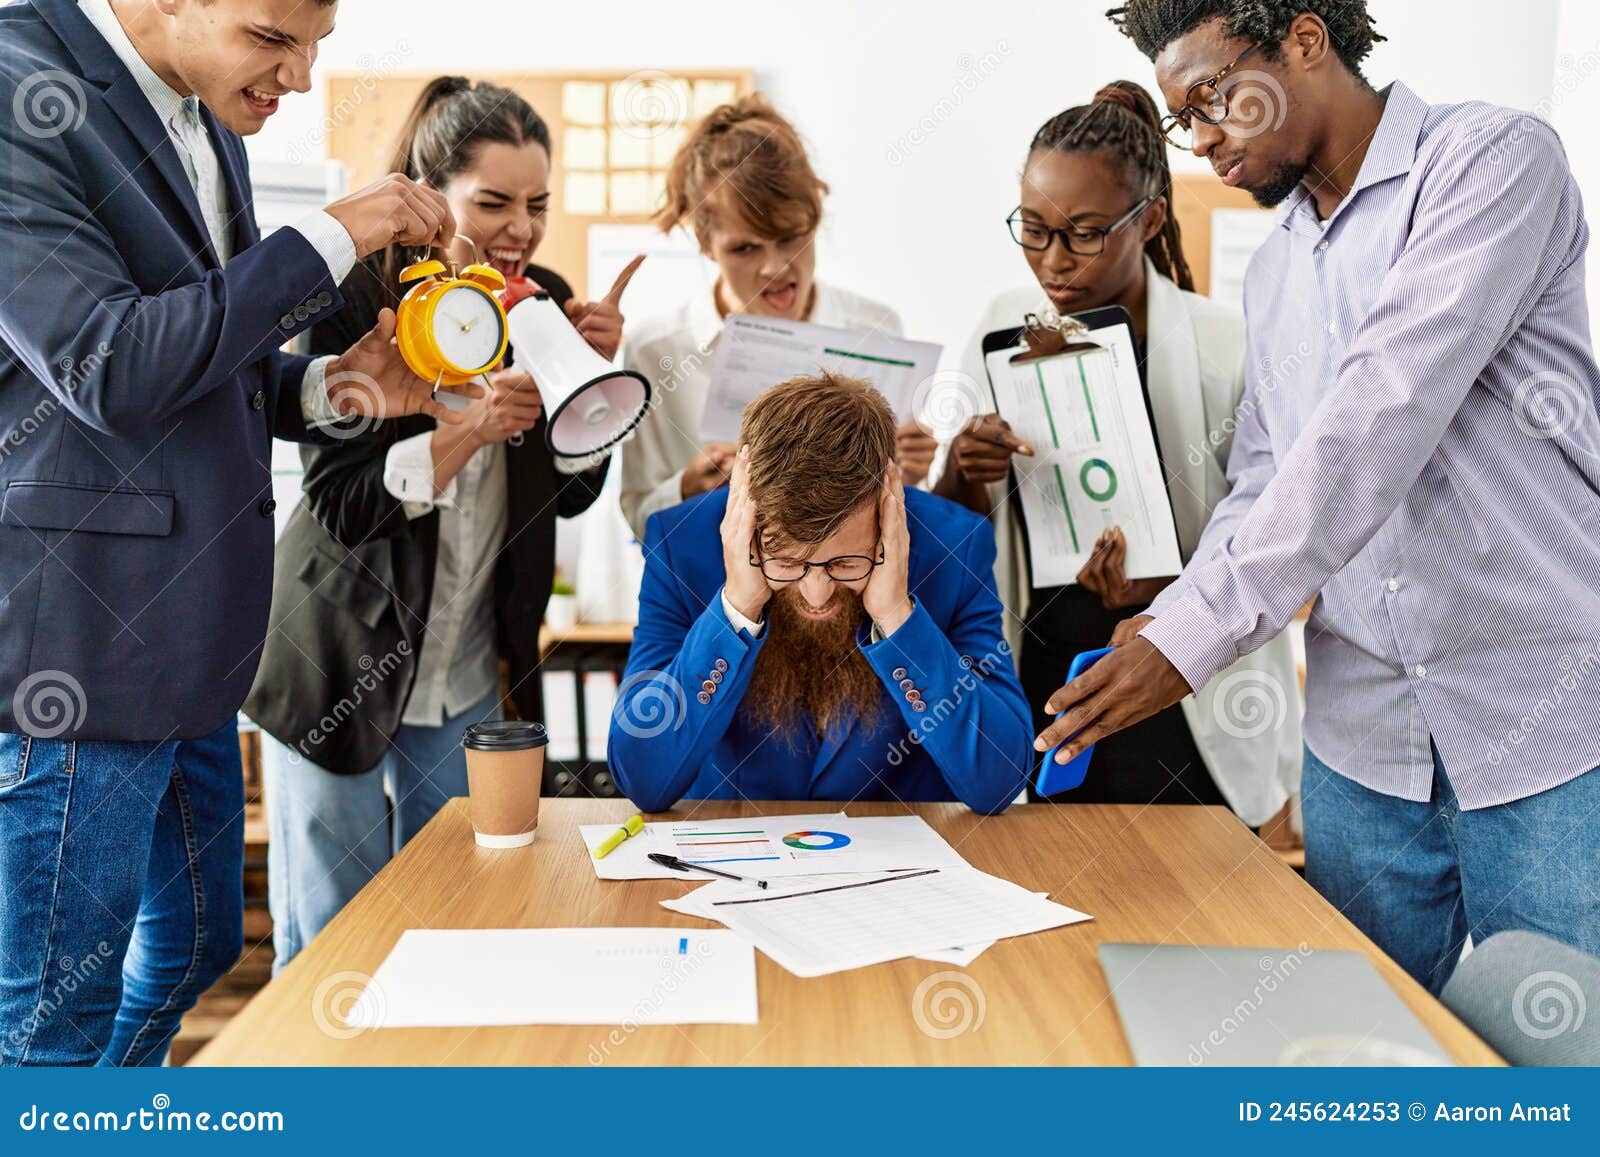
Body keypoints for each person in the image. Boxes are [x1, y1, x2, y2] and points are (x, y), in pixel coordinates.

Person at [1042, 0, 1600, 994]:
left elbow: (1381, 413)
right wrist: (1161, 621)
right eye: (1182, 116)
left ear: (1303, 41)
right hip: (1361, 744)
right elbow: (1262, 476)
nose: (1199, 137)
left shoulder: (1491, 162)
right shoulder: (1279, 266)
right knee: (1349, 1047)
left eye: (1212, 97)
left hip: (1542, 730)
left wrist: (1191, 640)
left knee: (1558, 1067)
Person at [0, 0, 475, 1066]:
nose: (300, 77)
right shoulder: (13, 89)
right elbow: (107, 366)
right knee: (48, 1024)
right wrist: (335, 233)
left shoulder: (208, 114)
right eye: (274, 39)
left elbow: (210, 353)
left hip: (195, 643)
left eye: (316, 42)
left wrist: (342, 388)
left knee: (196, 946)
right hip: (78, 647)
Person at [245, 77, 634, 970]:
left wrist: (589, 390)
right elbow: (343, 504)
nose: (522, 229)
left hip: (464, 675)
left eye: (537, 204)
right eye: (493, 201)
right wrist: (465, 431)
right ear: (431, 194)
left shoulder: (546, 298)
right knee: (333, 936)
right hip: (333, 654)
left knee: (453, 919)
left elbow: (567, 496)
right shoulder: (354, 301)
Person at [932, 82, 1299, 823]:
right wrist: (963, 472)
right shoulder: (1004, 325)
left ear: (1150, 219)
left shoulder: (1226, 347)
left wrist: (1163, 589)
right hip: (1043, 674)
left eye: (1086, 232)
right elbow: (949, 531)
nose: (1053, 262)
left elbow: (1282, 539)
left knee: (1183, 910)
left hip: (1182, 692)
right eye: (1032, 230)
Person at [609, 372, 1032, 815]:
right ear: (747, 509)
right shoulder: (680, 543)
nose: (816, 594)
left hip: (901, 865)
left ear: (887, 503)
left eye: (846, 564)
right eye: (787, 564)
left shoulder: (957, 546)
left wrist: (897, 617)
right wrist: (736, 606)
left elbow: (1000, 780)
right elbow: (642, 777)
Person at [619, 94, 936, 540]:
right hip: (709, 599)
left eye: (790, 239)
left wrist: (909, 474)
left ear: (815, 218)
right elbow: (639, 518)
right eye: (745, 248)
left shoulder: (874, 329)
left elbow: (890, 516)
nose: (776, 268)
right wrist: (688, 487)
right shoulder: (657, 349)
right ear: (706, 244)